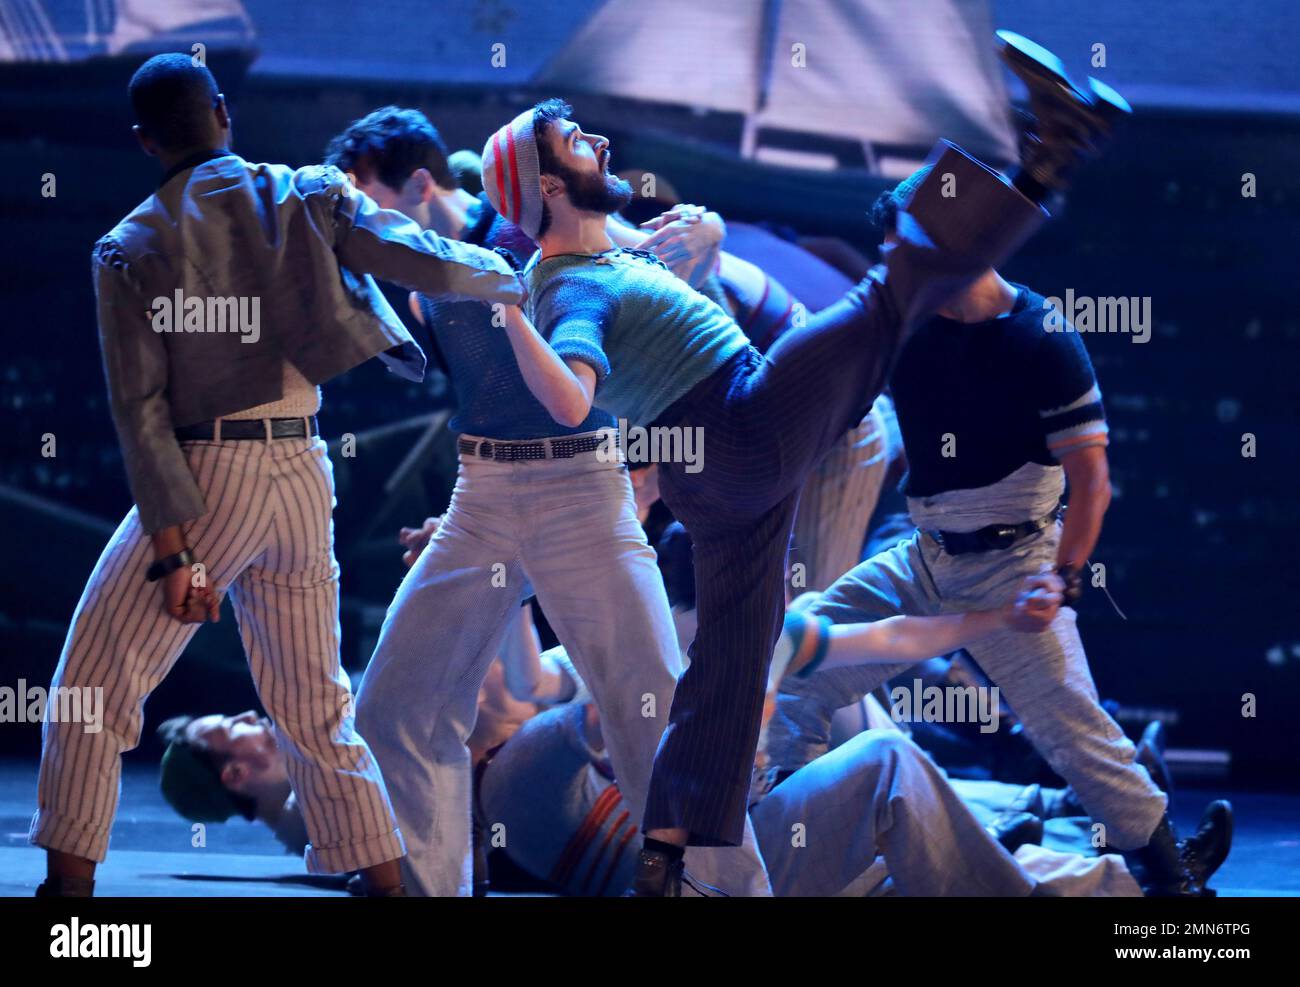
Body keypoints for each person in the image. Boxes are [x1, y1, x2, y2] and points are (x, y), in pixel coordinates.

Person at [480, 32, 1129, 893]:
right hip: (742, 419)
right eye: (575, 144)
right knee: (894, 286)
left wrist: (700, 228)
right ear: (550, 187)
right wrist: (508, 307)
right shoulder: (572, 284)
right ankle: (1042, 149)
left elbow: (653, 277)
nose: (599, 144)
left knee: (727, 666)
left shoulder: (604, 255)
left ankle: (667, 852)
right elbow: (572, 393)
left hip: (713, 476)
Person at [28, 54, 526, 898]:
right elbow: (419, 256)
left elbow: (141, 412)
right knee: (316, 710)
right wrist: (520, 276)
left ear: (146, 142)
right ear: (224, 112)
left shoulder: (129, 246)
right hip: (304, 469)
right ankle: (392, 889)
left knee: (90, 687)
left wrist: (175, 551)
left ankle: (65, 901)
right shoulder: (306, 191)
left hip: (211, 476)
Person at [323, 107, 771, 896]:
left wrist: (708, 230)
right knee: (396, 696)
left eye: (365, 199)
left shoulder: (533, 220)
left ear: (421, 185)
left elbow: (668, 282)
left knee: (649, 699)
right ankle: (432, 881)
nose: (361, 222)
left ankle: (722, 890)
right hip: (481, 495)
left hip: (582, 485)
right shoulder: (419, 276)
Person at [764, 166, 1235, 896]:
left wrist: (1062, 576)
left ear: (953, 249)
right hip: (922, 558)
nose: (899, 271)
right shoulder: (906, 323)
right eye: (892, 255)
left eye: (911, 253)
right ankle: (798, 834)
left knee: (1072, 727)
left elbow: (1093, 480)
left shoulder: (1041, 336)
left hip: (1012, 564)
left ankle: (1173, 875)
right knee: (803, 653)